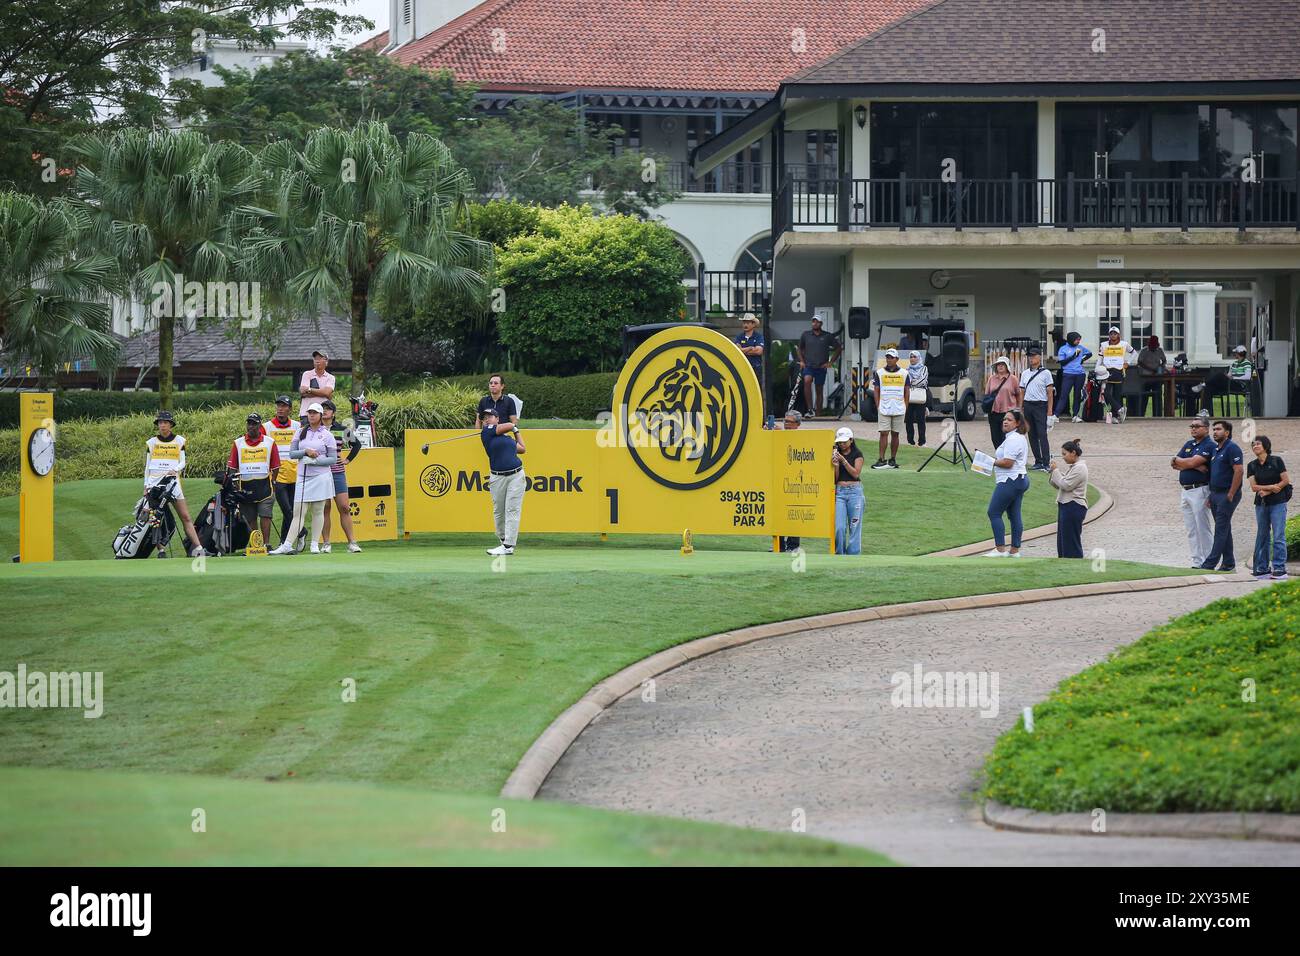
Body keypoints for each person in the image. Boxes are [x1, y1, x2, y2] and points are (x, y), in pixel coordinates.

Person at [268, 403, 339, 555]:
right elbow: (292, 454)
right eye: (310, 413)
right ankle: (287, 544)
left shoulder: (327, 435)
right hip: (303, 476)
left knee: (318, 511)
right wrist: (305, 451)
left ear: (320, 416)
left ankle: (314, 544)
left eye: (314, 413)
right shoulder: (300, 432)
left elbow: (333, 459)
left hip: (321, 476)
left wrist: (316, 460)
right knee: (298, 512)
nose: (311, 415)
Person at [143, 411, 205, 556]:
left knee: (185, 517)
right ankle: (161, 550)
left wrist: (174, 469)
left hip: (173, 483)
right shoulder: (151, 443)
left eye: (165, 422)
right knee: (156, 518)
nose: (162, 425)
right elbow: (147, 466)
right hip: (154, 483)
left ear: (171, 425)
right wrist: (145, 486)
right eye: (160, 423)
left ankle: (199, 548)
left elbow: (182, 462)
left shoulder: (179, 441)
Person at [225, 413, 281, 547]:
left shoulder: (269, 442)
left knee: (266, 515)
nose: (251, 427)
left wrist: (273, 481)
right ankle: (256, 545)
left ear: (260, 426)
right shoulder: (238, 443)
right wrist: (233, 485)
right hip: (245, 487)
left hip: (265, 486)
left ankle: (266, 544)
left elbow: (276, 466)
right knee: (250, 518)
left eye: (254, 424)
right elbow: (232, 467)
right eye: (249, 423)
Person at [1170, 415, 1217, 568]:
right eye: (1192, 426)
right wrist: (1194, 464)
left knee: (1202, 528)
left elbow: (1187, 461)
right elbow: (1174, 462)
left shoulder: (1209, 445)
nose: (1193, 429)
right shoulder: (1189, 444)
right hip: (1185, 491)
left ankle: (1209, 561)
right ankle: (1197, 561)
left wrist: (1189, 463)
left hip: (1200, 489)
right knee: (1191, 529)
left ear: (1206, 428)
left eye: (1197, 426)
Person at [1199, 419, 1244, 572]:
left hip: (1227, 494)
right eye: (1214, 429)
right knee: (1224, 528)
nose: (1215, 432)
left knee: (1220, 528)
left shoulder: (1232, 448)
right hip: (1215, 494)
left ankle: (1209, 564)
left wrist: (1231, 493)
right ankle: (1229, 563)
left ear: (1227, 432)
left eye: (1218, 429)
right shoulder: (1215, 449)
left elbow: (1239, 471)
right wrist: (1211, 495)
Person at [319, 399, 363, 554]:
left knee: (344, 507)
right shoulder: (315, 430)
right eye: (322, 409)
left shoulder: (341, 429)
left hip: (337, 472)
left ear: (333, 413)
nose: (325, 411)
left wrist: (348, 460)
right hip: (321, 473)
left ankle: (352, 542)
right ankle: (326, 543)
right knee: (325, 508)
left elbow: (356, 445)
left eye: (328, 409)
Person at [481, 407, 526, 555]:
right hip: (497, 477)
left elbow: (522, 449)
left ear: (497, 418)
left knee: (512, 509)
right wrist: (513, 426)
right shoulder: (486, 432)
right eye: (485, 417)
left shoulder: (507, 439)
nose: (487, 419)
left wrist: (516, 432)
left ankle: (508, 546)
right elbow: (508, 425)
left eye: (490, 416)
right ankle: (503, 540)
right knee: (499, 511)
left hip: (516, 475)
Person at [985, 409, 1030, 558]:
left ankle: (999, 549)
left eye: (1009, 420)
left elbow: (1007, 463)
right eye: (1004, 419)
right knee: (1014, 514)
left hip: (1010, 480)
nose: (1005, 421)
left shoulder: (1014, 439)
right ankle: (1014, 550)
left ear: (1017, 423)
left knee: (994, 512)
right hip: (1018, 479)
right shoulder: (1015, 437)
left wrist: (988, 462)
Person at [1247, 435, 1290, 581]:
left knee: (1278, 535)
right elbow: (1253, 487)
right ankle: (1263, 568)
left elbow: (1285, 481)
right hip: (1261, 504)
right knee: (1263, 535)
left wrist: (1268, 490)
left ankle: (1279, 568)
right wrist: (1271, 487)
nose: (1255, 446)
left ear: (1265, 446)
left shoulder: (1276, 461)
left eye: (1258, 444)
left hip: (1278, 503)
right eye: (1253, 445)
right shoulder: (1251, 465)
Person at [264, 396, 300, 549]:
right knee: (286, 508)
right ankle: (302, 530)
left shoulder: (297, 426)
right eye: (279, 405)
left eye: (284, 406)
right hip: (277, 474)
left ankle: (285, 543)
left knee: (290, 509)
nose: (280, 408)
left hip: (295, 473)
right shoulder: (267, 427)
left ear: (290, 409)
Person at [1048, 438, 1088, 558]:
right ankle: (1065, 562)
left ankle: (1074, 563)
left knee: (1070, 541)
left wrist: (1056, 471)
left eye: (1064, 454)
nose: (1063, 457)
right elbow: (1059, 484)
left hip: (1073, 506)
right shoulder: (1074, 467)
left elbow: (1066, 485)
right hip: (1067, 506)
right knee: (1063, 540)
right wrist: (1053, 472)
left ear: (1073, 453)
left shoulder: (1080, 468)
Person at [871, 347, 910, 469]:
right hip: (884, 408)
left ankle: (893, 459)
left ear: (897, 359)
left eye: (891, 357)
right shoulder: (879, 373)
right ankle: (881, 459)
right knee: (883, 433)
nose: (889, 359)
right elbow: (876, 390)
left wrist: (905, 406)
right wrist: (878, 405)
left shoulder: (904, 373)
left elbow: (907, 391)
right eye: (887, 357)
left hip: (899, 408)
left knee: (895, 434)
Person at [1018, 347, 1054, 471]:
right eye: (1030, 356)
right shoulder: (1025, 373)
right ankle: (1038, 461)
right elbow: (1022, 391)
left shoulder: (1046, 373)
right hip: (1028, 405)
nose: (1031, 358)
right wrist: (1020, 408)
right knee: (1031, 434)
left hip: (1040, 405)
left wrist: (1050, 412)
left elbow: (1049, 393)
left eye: (1033, 356)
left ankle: (1046, 462)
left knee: (1042, 434)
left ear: (1039, 357)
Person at [832, 426, 865, 555]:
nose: (842, 444)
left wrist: (843, 461)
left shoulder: (857, 454)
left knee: (854, 526)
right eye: (839, 442)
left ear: (851, 440)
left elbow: (856, 474)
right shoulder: (835, 454)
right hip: (840, 492)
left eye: (844, 441)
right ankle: (839, 553)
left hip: (854, 492)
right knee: (839, 527)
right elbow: (835, 479)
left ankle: (853, 555)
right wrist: (836, 466)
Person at [797, 315, 839, 417]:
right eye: (813, 322)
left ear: (821, 323)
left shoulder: (827, 336)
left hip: (821, 367)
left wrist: (830, 362)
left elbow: (838, 348)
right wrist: (802, 361)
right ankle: (810, 409)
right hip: (809, 366)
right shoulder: (806, 335)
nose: (815, 324)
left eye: (817, 322)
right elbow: (799, 349)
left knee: (819, 390)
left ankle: (818, 414)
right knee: (807, 381)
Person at [1098, 326, 1136, 424]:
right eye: (1111, 333)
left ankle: (1115, 416)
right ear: (1109, 335)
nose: (1113, 335)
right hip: (1107, 371)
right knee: (1106, 393)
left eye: (1115, 334)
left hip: (1119, 371)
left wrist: (1128, 363)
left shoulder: (1124, 344)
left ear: (1118, 335)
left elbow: (1134, 353)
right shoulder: (1104, 345)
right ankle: (1120, 409)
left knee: (1117, 395)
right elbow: (1100, 359)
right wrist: (1097, 369)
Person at [778, 410, 803, 552]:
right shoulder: (778, 436)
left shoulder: (801, 438)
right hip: (779, 480)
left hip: (795, 483)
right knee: (778, 513)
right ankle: (779, 545)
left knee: (794, 514)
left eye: (790, 422)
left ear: (798, 424)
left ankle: (793, 545)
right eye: (785, 421)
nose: (786, 424)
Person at [983, 356, 1020, 450]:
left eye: (1003, 364)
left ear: (1007, 366)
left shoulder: (1013, 379)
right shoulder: (991, 378)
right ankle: (999, 455)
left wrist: (1019, 408)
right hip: (993, 412)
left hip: (1008, 412)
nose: (1000, 366)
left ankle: (1007, 456)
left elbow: (1018, 394)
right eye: (998, 364)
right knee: (995, 437)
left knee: (1006, 436)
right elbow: (987, 393)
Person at [1054, 331, 1091, 423]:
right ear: (1071, 339)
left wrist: (1082, 359)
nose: (1078, 342)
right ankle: (1056, 415)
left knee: (1077, 395)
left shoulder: (1080, 348)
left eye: (1079, 340)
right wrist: (1074, 356)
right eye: (1077, 340)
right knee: (1064, 395)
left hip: (1080, 374)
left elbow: (1089, 354)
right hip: (1068, 374)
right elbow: (1062, 362)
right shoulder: (1063, 348)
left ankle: (1075, 415)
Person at [299, 349, 335, 422]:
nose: (317, 361)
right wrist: (323, 393)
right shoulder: (307, 374)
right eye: (315, 359)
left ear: (326, 362)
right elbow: (303, 391)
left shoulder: (331, 377)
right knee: (306, 433)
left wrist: (309, 390)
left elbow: (327, 392)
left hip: (322, 414)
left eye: (320, 358)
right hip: (306, 413)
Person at [1137, 335, 1168, 417]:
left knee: (1158, 395)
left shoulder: (1159, 351)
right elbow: (1139, 362)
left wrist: (1161, 367)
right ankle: (1141, 414)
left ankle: (1157, 414)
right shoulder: (1144, 351)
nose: (1154, 348)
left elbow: (1164, 360)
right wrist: (1150, 369)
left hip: (1156, 377)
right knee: (1144, 397)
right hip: (1145, 377)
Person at [904, 350, 929, 447]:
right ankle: (910, 441)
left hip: (920, 396)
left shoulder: (924, 368)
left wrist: (912, 383)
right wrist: (913, 383)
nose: (912, 359)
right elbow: (906, 382)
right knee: (909, 419)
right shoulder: (906, 370)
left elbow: (923, 380)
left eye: (915, 357)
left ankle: (922, 441)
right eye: (911, 357)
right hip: (909, 397)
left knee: (921, 420)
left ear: (919, 358)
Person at [734, 312, 765, 386]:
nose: (745, 325)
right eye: (744, 323)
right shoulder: (739, 337)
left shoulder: (758, 337)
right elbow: (737, 350)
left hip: (755, 368)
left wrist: (743, 350)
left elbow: (759, 351)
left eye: (748, 323)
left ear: (753, 324)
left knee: (756, 388)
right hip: (743, 367)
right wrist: (750, 348)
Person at [1228, 345, 1256, 414]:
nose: (1234, 354)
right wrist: (1228, 377)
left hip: (1241, 386)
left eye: (1236, 353)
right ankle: (1207, 384)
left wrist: (1234, 378)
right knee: (1220, 377)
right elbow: (1229, 375)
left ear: (1239, 354)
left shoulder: (1247, 363)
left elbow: (1247, 376)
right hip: (1231, 384)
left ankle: (1205, 384)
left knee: (1219, 377)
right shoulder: (1234, 363)